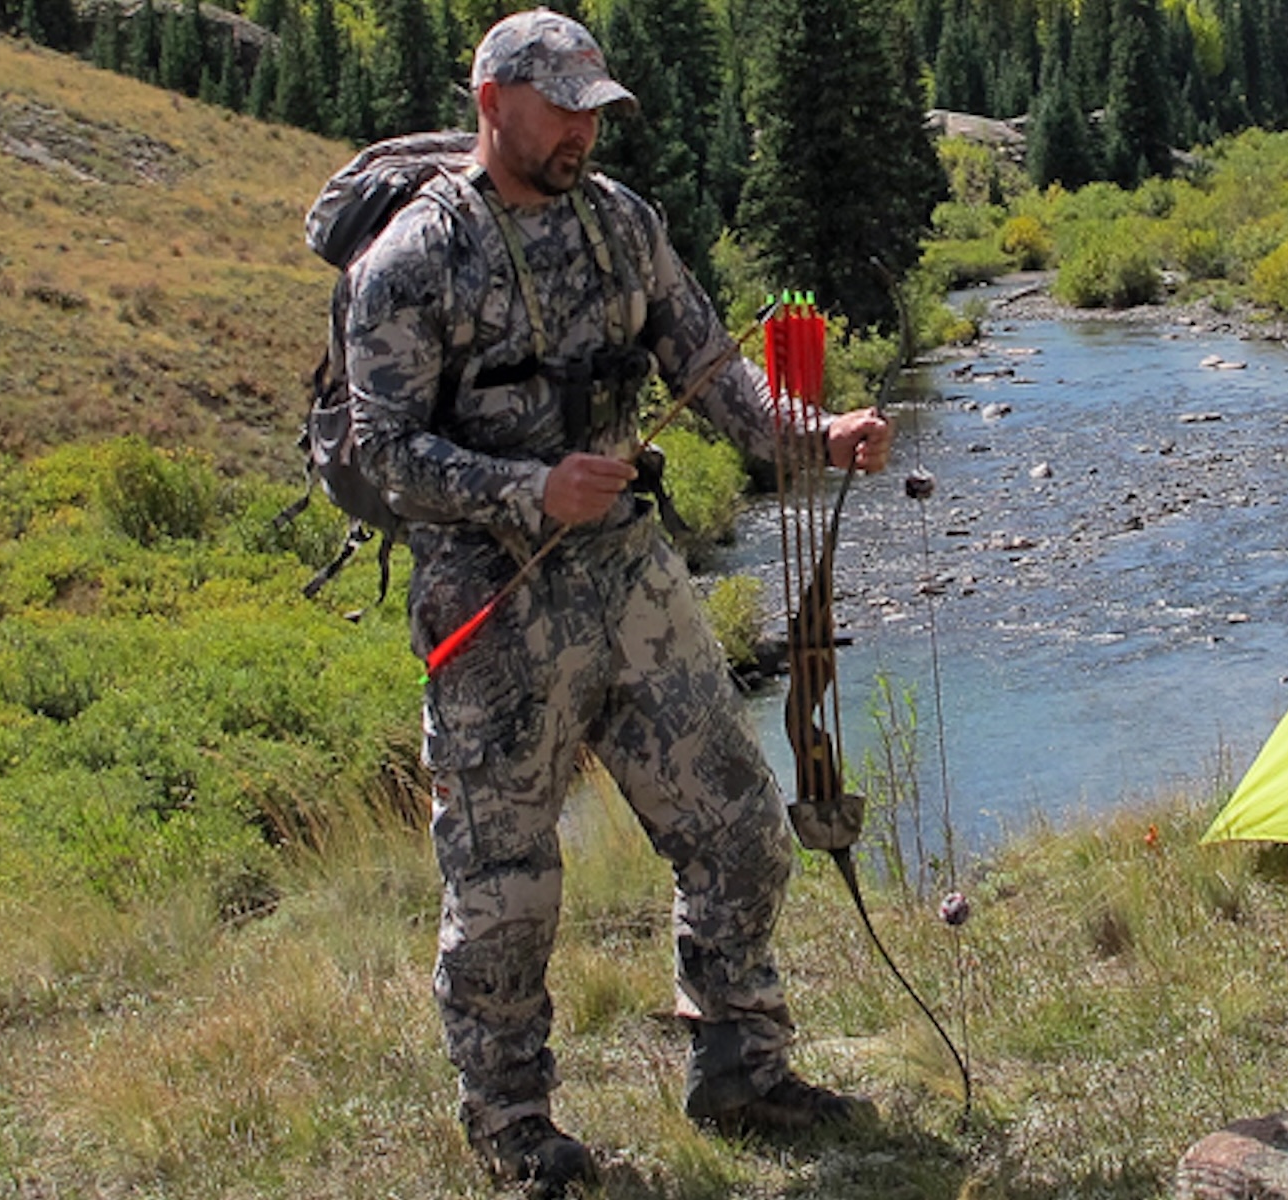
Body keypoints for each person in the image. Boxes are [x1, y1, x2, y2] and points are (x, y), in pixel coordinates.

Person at [342, 9, 892, 1193]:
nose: (584, 130)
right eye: (561, 108)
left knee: (740, 825)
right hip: (489, 607)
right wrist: (528, 489)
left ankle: (740, 1063)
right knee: (507, 890)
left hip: (631, 581)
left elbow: (712, 370)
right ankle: (513, 1131)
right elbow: (383, 454)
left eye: (597, 109)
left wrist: (816, 436)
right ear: (493, 104)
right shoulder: (413, 262)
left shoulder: (624, 227)